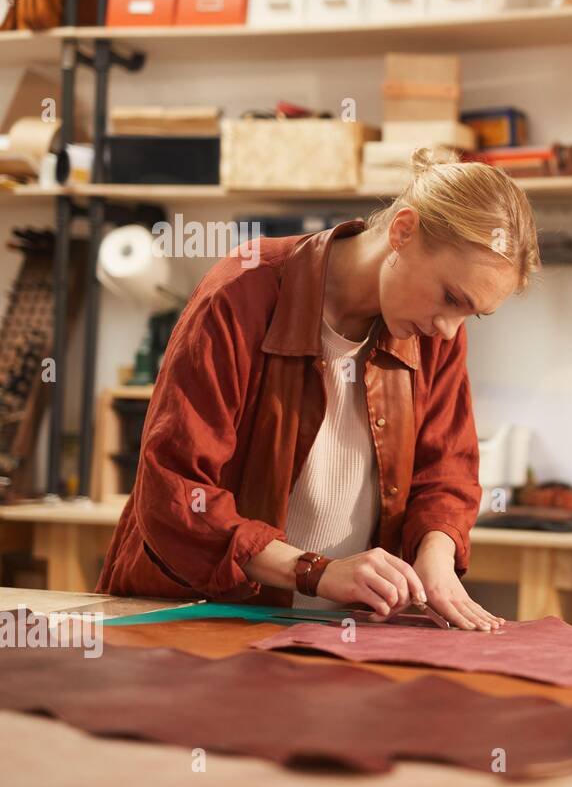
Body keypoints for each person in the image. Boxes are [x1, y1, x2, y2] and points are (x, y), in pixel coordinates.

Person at [97, 151, 540, 631]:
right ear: (403, 232)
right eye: (451, 297)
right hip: (200, 618)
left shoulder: (432, 332)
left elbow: (447, 472)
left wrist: (435, 553)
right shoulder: (243, 290)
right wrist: (315, 572)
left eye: (471, 313)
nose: (450, 330)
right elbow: (176, 491)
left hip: (338, 633)